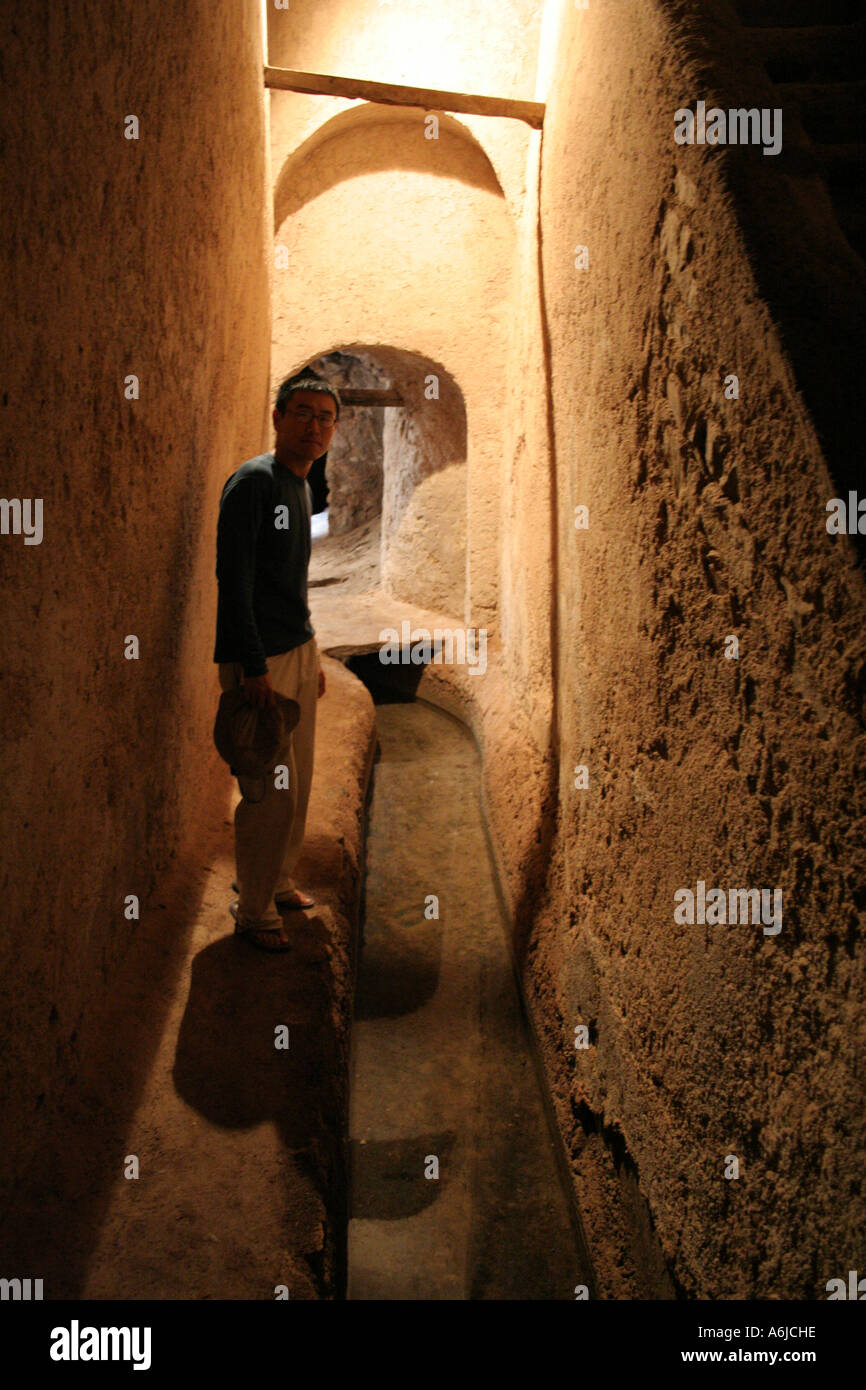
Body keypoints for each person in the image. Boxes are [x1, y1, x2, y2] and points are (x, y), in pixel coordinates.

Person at [213, 374, 340, 951]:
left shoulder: (302, 484)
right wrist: (254, 664)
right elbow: (233, 580)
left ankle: (276, 879)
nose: (314, 426)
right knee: (269, 789)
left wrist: (309, 649)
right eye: (303, 413)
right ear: (278, 417)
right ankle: (254, 910)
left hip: (294, 648)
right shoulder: (254, 483)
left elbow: (289, 581)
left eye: (325, 417)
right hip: (260, 658)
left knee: (300, 777)